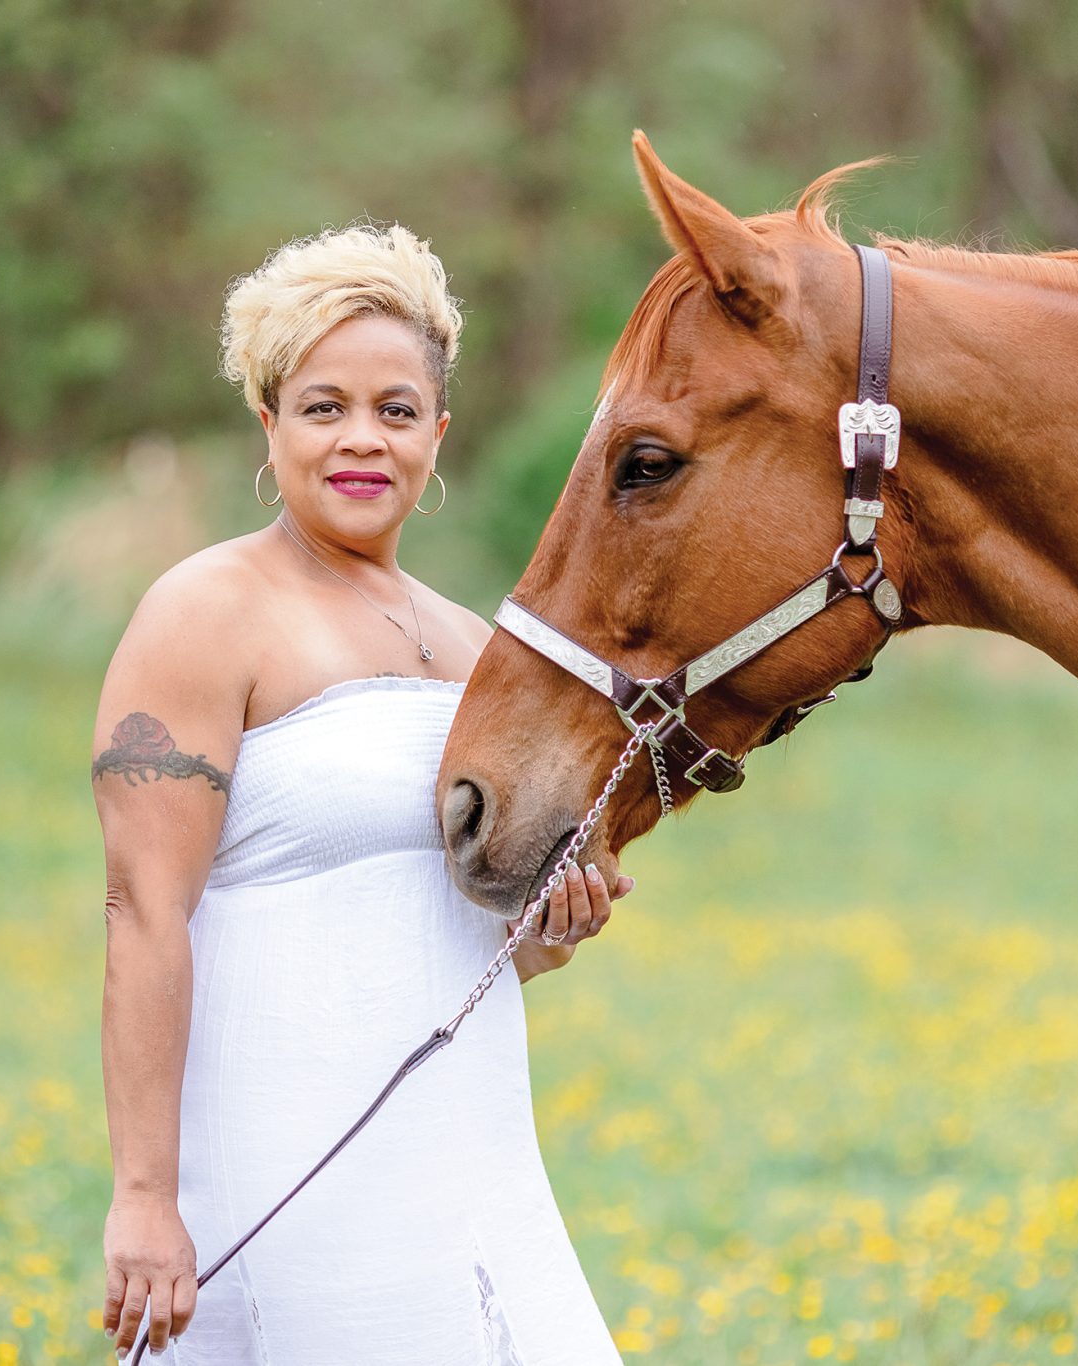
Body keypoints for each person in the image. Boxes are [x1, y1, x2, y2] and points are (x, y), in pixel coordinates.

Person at [93, 223, 630, 1363]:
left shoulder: (477, 646)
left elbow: (489, 938)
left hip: (468, 1140)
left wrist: (551, 924)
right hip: (285, 1142)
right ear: (268, 422)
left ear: (437, 432)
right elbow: (143, 912)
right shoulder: (205, 612)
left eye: (394, 410)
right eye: (322, 406)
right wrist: (144, 1195)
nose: (360, 440)